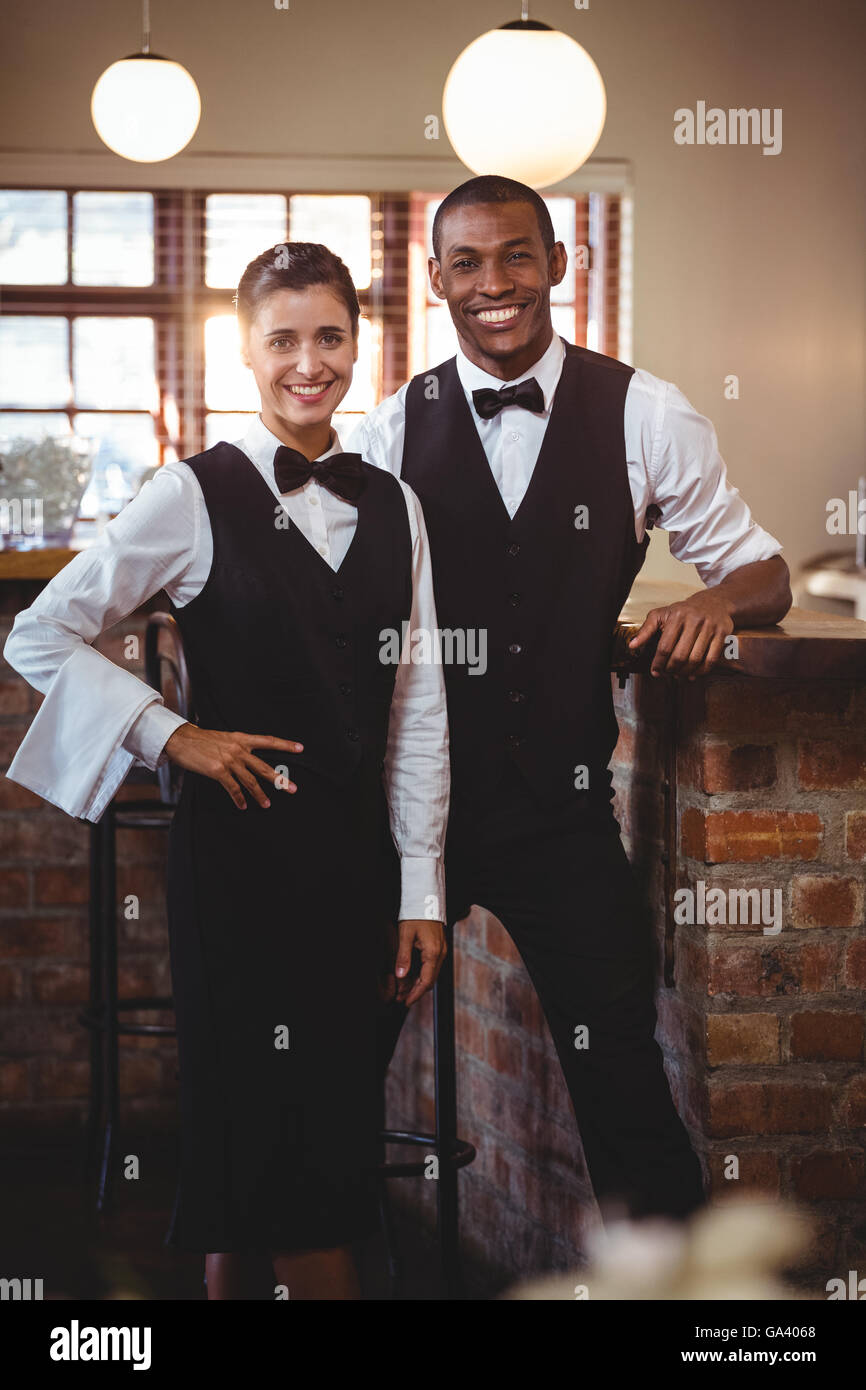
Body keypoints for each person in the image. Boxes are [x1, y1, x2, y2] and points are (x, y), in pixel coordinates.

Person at [4, 242, 450, 1300]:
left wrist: (420, 891)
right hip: (240, 873)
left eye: (329, 336)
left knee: (278, 1148)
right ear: (243, 353)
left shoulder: (399, 508)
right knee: (290, 1160)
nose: (309, 361)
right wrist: (170, 733)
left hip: (353, 872)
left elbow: (419, 711)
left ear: (360, 342)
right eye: (282, 339)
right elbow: (39, 633)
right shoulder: (190, 493)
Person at [349, 175, 792, 1227]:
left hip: (561, 813)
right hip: (411, 813)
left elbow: (765, 572)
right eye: (465, 262)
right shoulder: (387, 432)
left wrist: (713, 598)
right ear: (436, 281)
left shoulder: (645, 410)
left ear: (557, 263)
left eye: (515, 256)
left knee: (627, 1092)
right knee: (331, 1063)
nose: (492, 283)